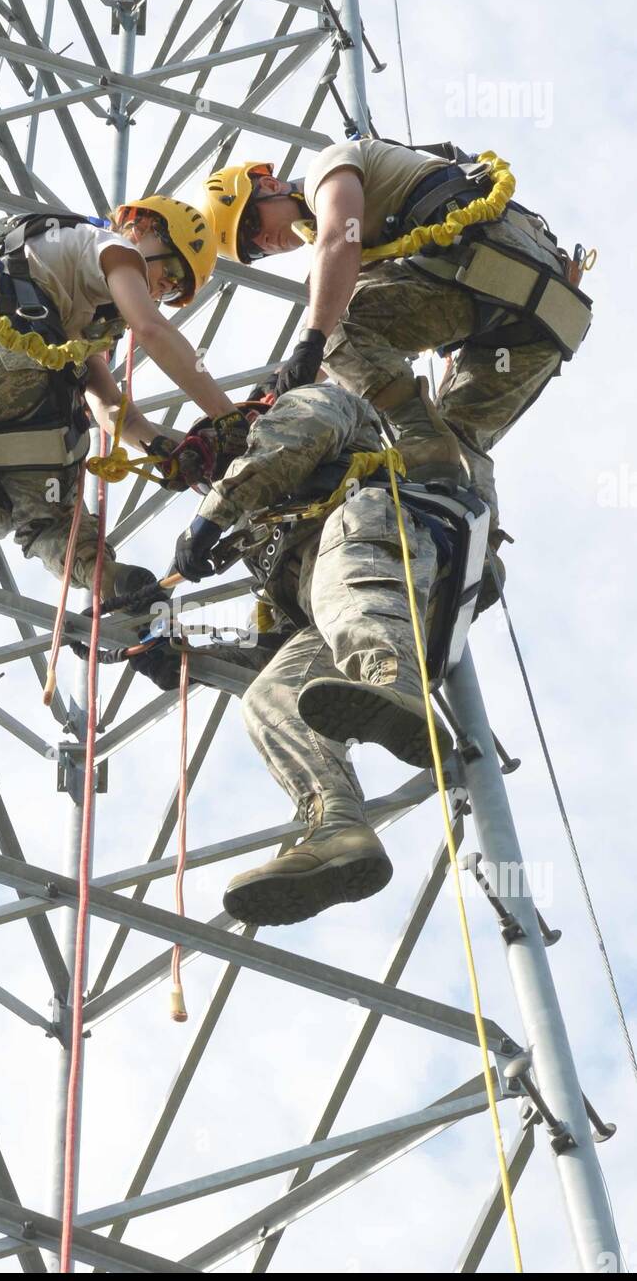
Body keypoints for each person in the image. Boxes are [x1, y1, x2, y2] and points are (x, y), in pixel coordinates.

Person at [132, 382, 475, 927]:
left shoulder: (313, 402)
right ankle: (336, 825)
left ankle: (394, 687)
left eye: (211, 465)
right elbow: (269, 644)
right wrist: (183, 657)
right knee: (271, 696)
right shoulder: (274, 537)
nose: (208, 478)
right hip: (358, 612)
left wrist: (210, 518)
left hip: (386, 545)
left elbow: (287, 445)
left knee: (343, 578)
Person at [200, 145, 592, 607]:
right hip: (542, 318)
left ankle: (421, 438)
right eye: (252, 249)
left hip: (486, 270)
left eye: (251, 226)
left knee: (334, 325)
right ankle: (475, 550)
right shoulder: (366, 234)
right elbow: (360, 345)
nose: (262, 243)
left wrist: (310, 342)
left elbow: (339, 262)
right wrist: (279, 388)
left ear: (269, 185)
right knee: (457, 443)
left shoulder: (330, 166)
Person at [0, 196, 250, 597]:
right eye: (174, 269)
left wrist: (163, 449)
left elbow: (111, 408)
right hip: (11, 373)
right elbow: (151, 329)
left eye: (176, 290)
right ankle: (102, 575)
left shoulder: (58, 288)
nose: (166, 287)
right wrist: (227, 416)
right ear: (143, 228)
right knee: (51, 515)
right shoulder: (111, 246)